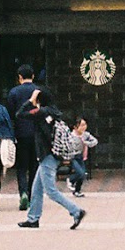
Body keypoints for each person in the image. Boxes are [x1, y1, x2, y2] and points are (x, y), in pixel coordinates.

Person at [17, 88, 86, 230]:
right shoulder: (53, 111)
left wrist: (30, 101)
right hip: (51, 154)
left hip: (47, 155)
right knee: (36, 189)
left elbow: (20, 114)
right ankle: (33, 218)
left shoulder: (42, 113)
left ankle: (76, 211)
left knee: (51, 191)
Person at [5, 65, 40, 210]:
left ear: (19, 77)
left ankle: (23, 193)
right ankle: (31, 195)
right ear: (33, 76)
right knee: (34, 167)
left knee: (21, 167)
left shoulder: (13, 92)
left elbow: (11, 114)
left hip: (20, 134)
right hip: (36, 133)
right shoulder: (39, 91)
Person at [68, 117, 98, 197]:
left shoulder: (86, 135)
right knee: (80, 172)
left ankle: (77, 190)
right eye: (81, 125)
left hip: (82, 157)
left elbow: (95, 141)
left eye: (84, 125)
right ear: (75, 127)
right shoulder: (71, 136)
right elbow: (69, 146)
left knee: (83, 174)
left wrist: (87, 143)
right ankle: (71, 180)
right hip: (73, 157)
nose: (83, 127)